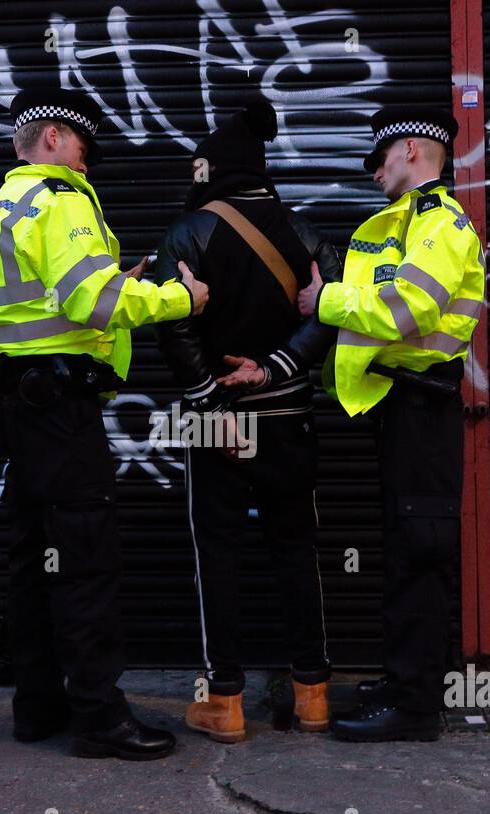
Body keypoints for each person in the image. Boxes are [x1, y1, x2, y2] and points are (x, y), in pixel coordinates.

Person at [0, 88, 209, 760]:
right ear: (51, 138)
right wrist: (178, 297)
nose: (87, 161)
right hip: (61, 413)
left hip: (18, 406)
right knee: (86, 560)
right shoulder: (60, 198)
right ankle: (100, 718)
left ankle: (36, 706)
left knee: (32, 558)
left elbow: (38, 310)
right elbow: (92, 300)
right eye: (81, 145)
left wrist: (106, 287)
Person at [152, 96, 343, 743]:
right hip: (289, 414)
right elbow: (334, 311)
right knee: (298, 550)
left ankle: (226, 701)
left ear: (213, 172)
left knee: (218, 554)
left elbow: (168, 323)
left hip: (215, 421)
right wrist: (280, 365)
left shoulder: (188, 234)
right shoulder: (304, 233)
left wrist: (207, 393)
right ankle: (313, 694)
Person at [297, 104, 485, 742]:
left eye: (380, 158)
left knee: (421, 552)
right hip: (400, 407)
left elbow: (407, 309)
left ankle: (414, 706)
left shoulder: (439, 222)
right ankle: (405, 679)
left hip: (423, 408)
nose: (374, 170)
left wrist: (324, 301)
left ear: (410, 150)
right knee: (407, 548)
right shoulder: (403, 224)